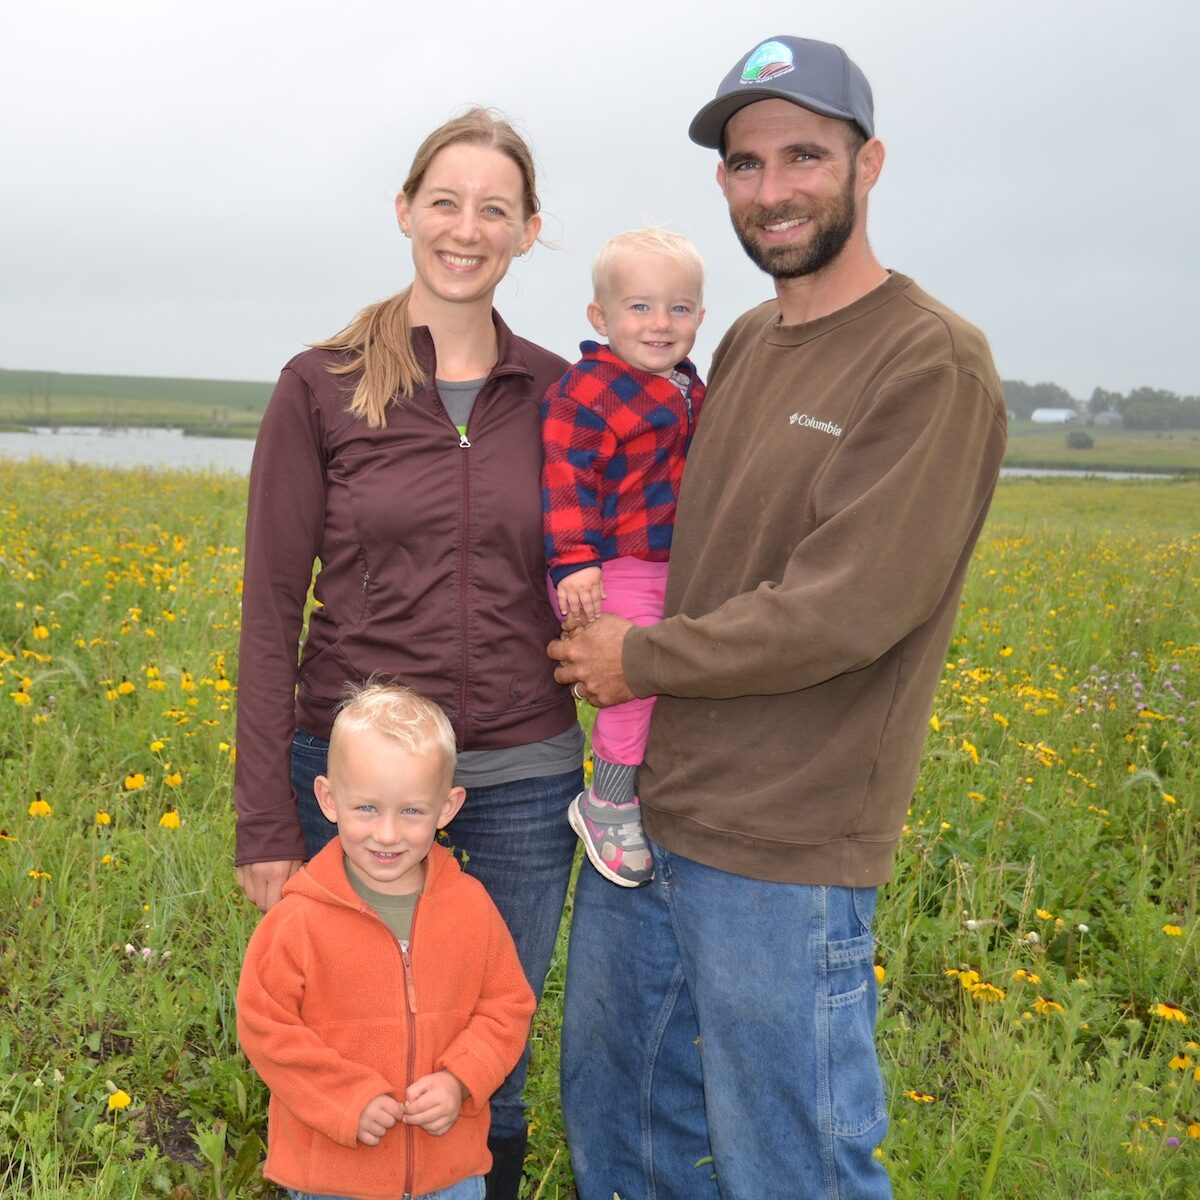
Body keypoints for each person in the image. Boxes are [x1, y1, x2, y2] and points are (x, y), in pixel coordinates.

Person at [549, 35, 1007, 1200]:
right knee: (627, 1133)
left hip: (784, 846)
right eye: (747, 165)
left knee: (789, 1160)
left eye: (805, 154)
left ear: (869, 163)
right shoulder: (742, 342)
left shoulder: (929, 360)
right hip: (650, 815)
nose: (775, 187)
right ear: (724, 187)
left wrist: (635, 655)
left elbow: (844, 607)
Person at [233, 107, 585, 1198]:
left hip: (524, 775)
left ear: (530, 231)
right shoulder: (322, 385)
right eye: (445, 201)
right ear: (404, 212)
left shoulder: (564, 393)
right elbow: (269, 608)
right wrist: (264, 814)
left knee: (492, 1058)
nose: (466, 228)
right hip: (353, 773)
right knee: (341, 1047)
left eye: (495, 208)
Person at [237, 682, 536, 1200]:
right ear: (329, 800)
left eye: (412, 811)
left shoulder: (471, 907)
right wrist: (344, 1098)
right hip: (334, 1171)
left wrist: (461, 1080)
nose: (388, 834)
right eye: (367, 808)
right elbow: (267, 1028)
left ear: (448, 808)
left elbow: (508, 1005)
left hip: (451, 1171)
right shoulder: (297, 920)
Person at [541, 228, 706, 887]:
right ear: (600, 317)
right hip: (607, 567)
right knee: (634, 672)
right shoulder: (588, 390)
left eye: (680, 308)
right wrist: (575, 561)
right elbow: (566, 477)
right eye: (639, 307)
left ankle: (637, 789)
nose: (660, 324)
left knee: (672, 669)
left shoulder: (686, 385)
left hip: (666, 563)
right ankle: (607, 802)